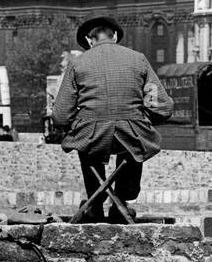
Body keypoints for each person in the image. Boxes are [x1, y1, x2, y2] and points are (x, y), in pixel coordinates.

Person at [50, 15, 173, 223]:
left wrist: (79, 122)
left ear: (89, 40)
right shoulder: (138, 59)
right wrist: (144, 118)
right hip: (131, 133)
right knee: (134, 145)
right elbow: (163, 106)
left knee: (86, 149)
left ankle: (94, 204)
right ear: (114, 36)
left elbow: (60, 115)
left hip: (92, 136)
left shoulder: (77, 64)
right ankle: (122, 201)